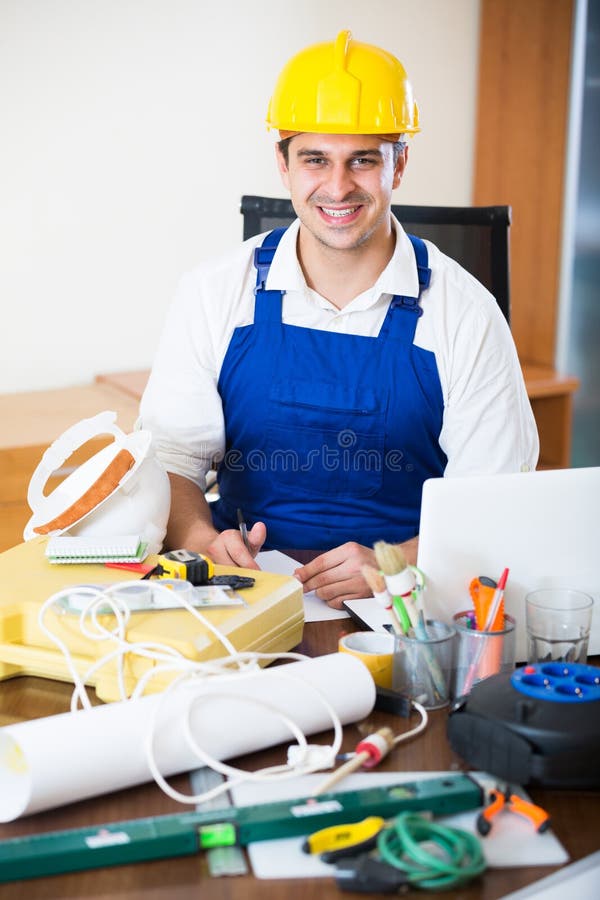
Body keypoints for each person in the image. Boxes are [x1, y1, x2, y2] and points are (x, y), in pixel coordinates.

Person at [139, 30, 539, 608]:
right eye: (315, 159)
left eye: (364, 160)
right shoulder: (211, 292)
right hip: (242, 597)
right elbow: (171, 461)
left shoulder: (466, 315)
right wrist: (202, 542)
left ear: (399, 165)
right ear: (282, 164)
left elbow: (495, 502)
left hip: (405, 605)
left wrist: (394, 565)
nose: (338, 186)